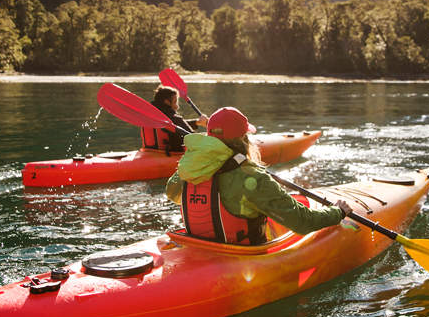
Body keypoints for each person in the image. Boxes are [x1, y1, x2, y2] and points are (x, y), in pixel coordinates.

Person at [165, 106, 351, 245]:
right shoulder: (252, 177)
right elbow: (302, 222)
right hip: (240, 258)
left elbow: (172, 194)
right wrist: (337, 212)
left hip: (200, 247)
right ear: (243, 138)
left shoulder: (189, 169)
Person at [141, 85, 208, 154]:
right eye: (175, 101)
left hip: (150, 151)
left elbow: (174, 126)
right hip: (172, 153)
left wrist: (197, 122)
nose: (177, 107)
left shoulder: (150, 117)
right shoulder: (174, 118)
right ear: (167, 102)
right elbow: (193, 137)